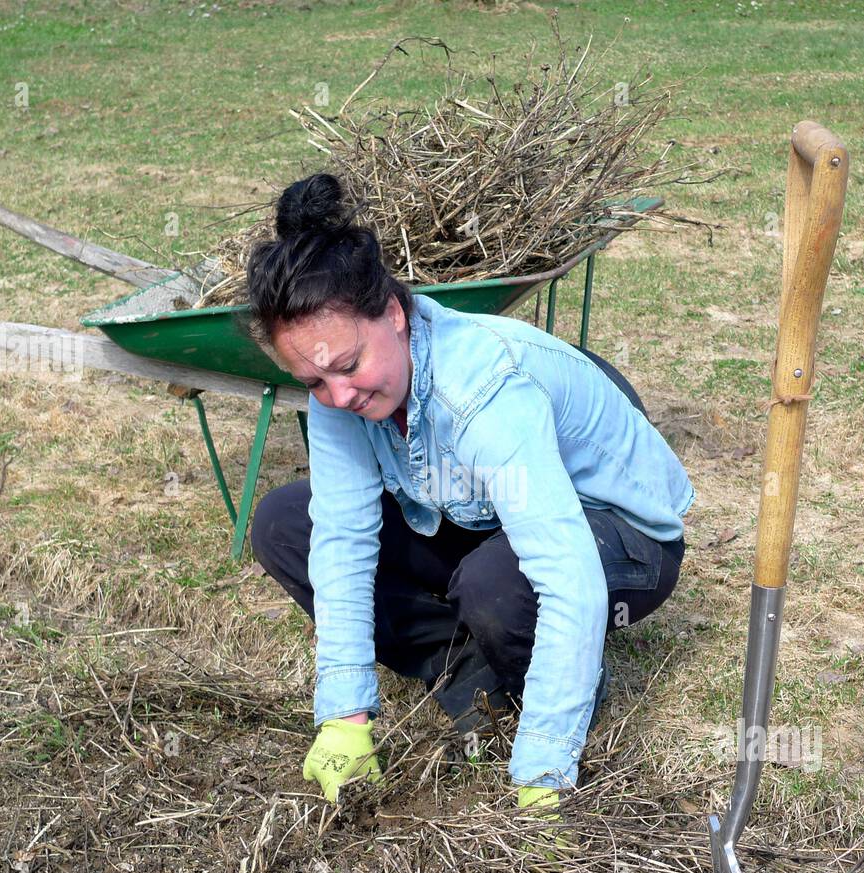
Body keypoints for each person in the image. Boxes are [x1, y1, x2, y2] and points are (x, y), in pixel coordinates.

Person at [246, 173, 695, 811]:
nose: (338, 395)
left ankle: (563, 702)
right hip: (481, 513)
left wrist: (544, 770)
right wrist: (344, 713)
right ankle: (470, 679)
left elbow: (567, 573)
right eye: (312, 381)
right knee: (287, 524)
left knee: (497, 589)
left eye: (348, 367)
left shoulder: (482, 391)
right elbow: (343, 534)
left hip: (620, 531)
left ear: (394, 315)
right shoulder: (337, 393)